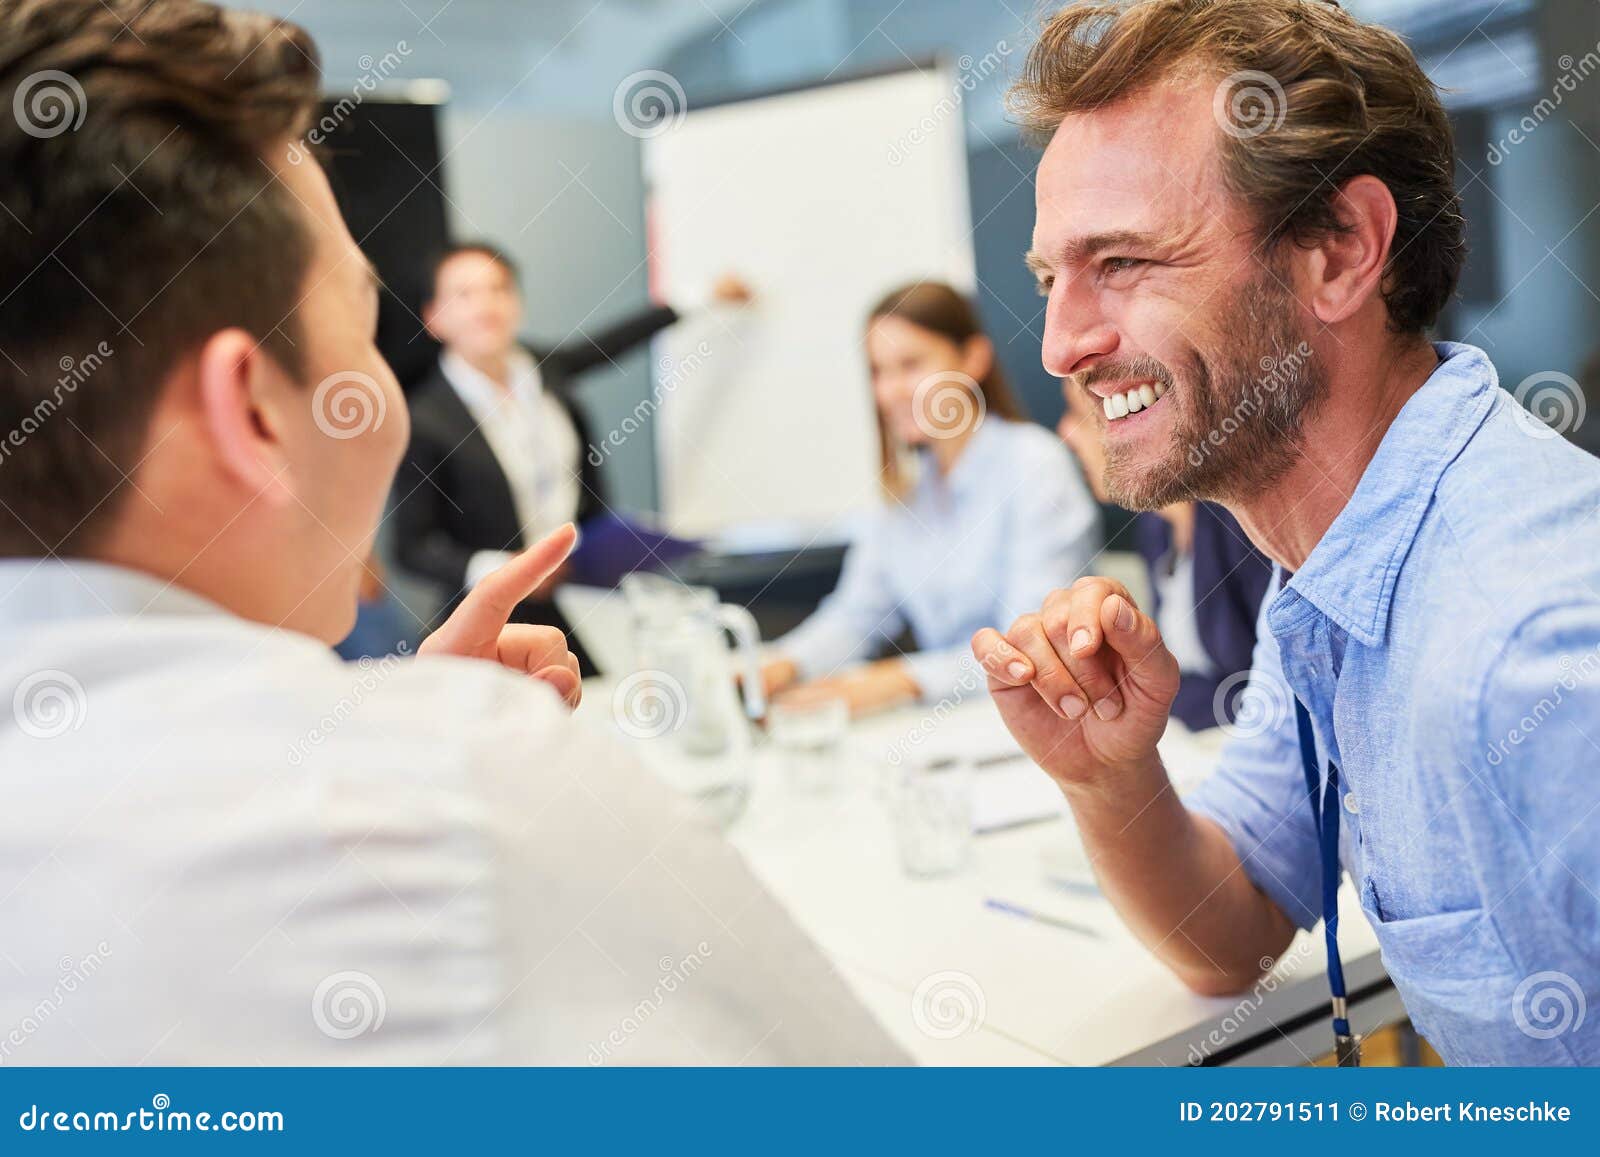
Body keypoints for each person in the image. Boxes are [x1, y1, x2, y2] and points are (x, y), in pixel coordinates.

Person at [0, 0, 902, 1065]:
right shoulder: (467, 787)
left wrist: (396, 730)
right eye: (364, 324)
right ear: (251, 413)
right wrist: (436, 759)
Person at [971, 0, 1600, 1065]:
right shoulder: (1330, 567)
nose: (1061, 346)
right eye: (1049, 280)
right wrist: (1108, 776)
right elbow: (1238, 923)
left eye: (1121, 261)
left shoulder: (1531, 655)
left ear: (1340, 251)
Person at [393, 241, 750, 670]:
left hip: (582, 599)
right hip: (494, 622)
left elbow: (615, 343)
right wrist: (507, 570)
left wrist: (704, 297)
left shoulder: (545, 369)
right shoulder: (424, 418)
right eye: (464, 295)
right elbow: (412, 547)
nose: (485, 305)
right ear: (433, 317)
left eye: (498, 289)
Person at [761, 282, 1099, 716]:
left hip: (1038, 720)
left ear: (973, 359)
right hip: (949, 726)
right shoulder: (909, 491)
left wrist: (895, 681)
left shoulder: (1034, 465)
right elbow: (855, 615)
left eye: (911, 365)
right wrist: (780, 667)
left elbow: (1027, 648)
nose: (891, 391)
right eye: (878, 371)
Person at [1058, 384, 1271, 731]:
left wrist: (1150, 704)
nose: (1065, 433)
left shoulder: (1239, 520)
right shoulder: (1157, 525)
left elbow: (1272, 696)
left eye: (1079, 414)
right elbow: (1181, 676)